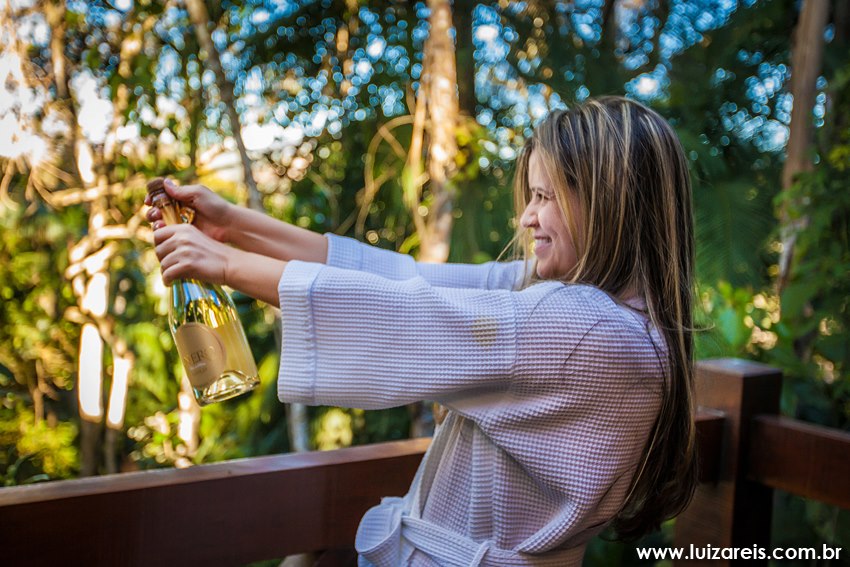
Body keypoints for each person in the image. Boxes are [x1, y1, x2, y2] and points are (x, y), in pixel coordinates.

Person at [145, 95, 697, 566]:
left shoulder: (585, 328)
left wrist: (222, 265)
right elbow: (400, 276)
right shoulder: (600, 316)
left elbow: (399, 312)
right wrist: (235, 227)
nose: (527, 219)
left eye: (544, 196)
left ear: (609, 203)